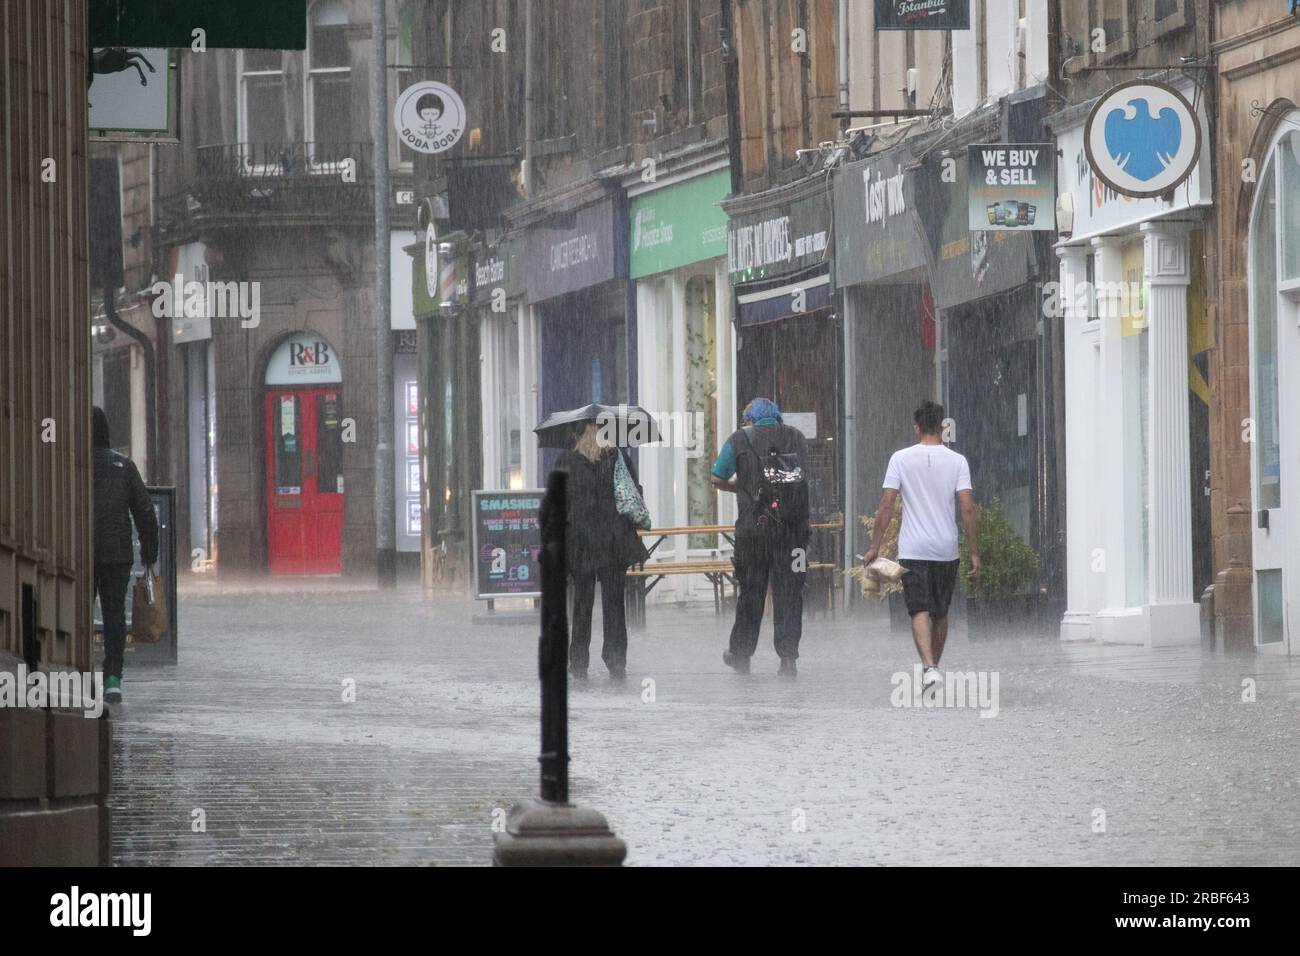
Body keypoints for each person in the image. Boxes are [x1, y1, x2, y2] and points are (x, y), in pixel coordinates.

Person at [862, 400, 980, 691]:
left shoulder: (900, 459)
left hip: (913, 549)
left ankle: (929, 668)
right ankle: (933, 668)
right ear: (942, 426)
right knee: (940, 612)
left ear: (916, 428)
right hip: (946, 549)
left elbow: (886, 505)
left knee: (919, 610)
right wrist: (975, 550)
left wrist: (875, 546)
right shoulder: (958, 461)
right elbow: (967, 507)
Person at [710, 398, 809, 677]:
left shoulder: (739, 440)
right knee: (789, 594)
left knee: (751, 594)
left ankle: (741, 654)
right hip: (793, 533)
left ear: (750, 419)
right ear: (776, 417)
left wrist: (743, 487)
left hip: (753, 532)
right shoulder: (796, 437)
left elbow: (716, 477)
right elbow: (801, 478)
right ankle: (788, 658)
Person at [553, 421, 649, 682]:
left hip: (581, 539)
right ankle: (616, 661)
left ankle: (579, 662)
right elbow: (634, 493)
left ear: (579, 433)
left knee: (582, 602)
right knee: (614, 602)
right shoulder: (617, 457)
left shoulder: (567, 460)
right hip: (613, 539)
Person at [92, 406, 158, 704]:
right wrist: (149, 551)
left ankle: (76, 670)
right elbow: (145, 512)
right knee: (114, 615)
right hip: (117, 554)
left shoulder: (73, 466)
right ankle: (113, 678)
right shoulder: (124, 466)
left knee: (77, 614)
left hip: (82, 553)